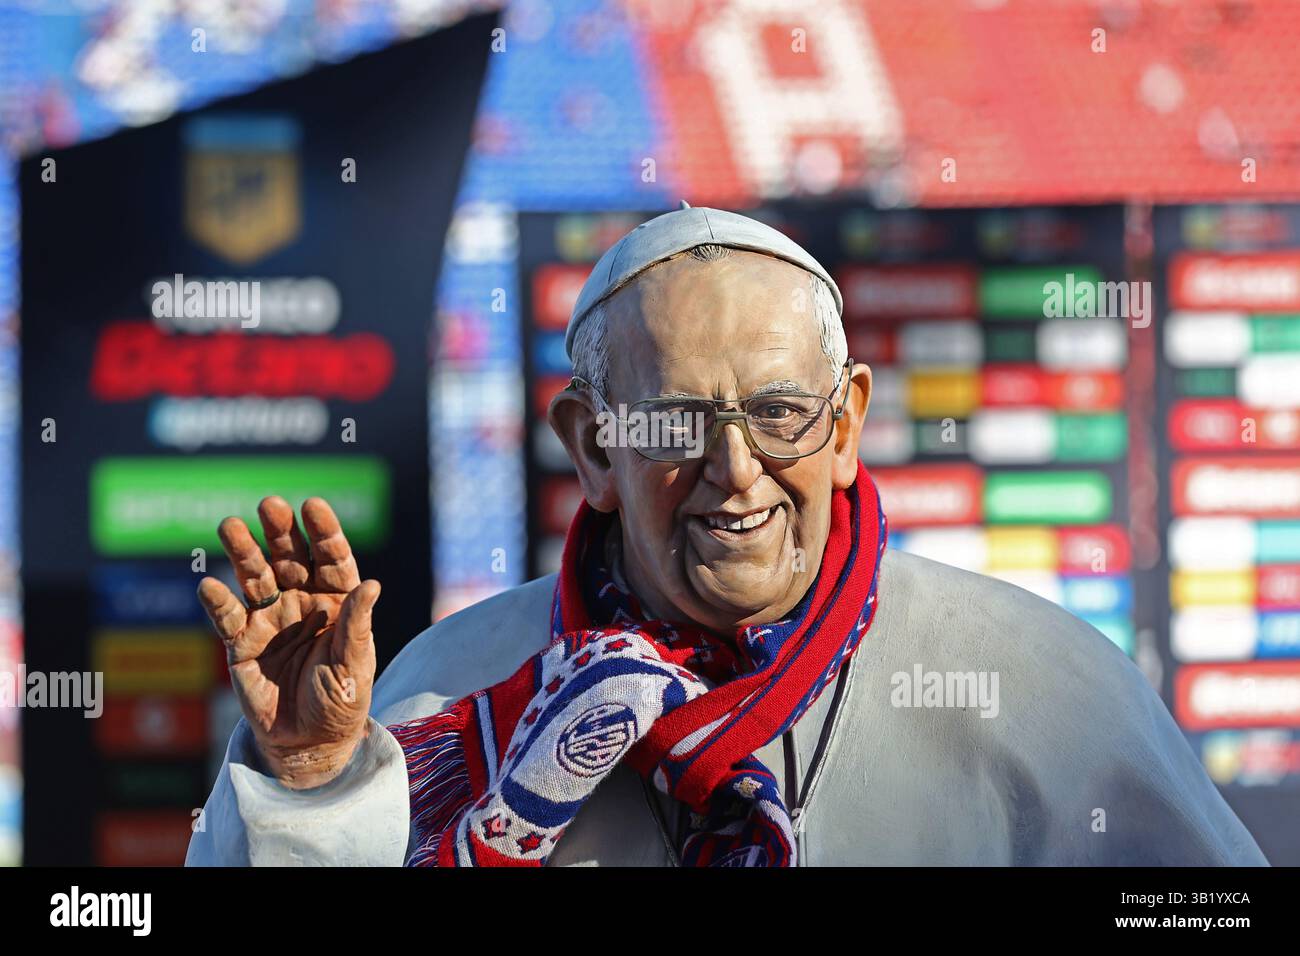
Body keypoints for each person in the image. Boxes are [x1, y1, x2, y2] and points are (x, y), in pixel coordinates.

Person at [187, 206, 1267, 866]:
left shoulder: (1047, 684)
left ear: (844, 423)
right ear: (594, 446)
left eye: (780, 410)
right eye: (672, 421)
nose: (736, 466)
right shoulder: (444, 695)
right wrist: (314, 784)